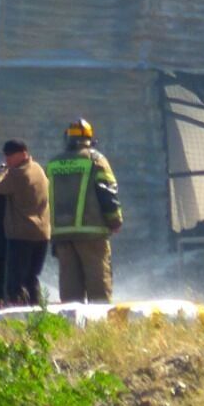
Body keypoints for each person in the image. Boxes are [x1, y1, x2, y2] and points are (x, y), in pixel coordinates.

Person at [48, 119, 123, 303]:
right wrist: (114, 220)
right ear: (89, 139)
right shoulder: (95, 160)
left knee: (70, 285)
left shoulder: (53, 163)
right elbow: (107, 192)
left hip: (62, 234)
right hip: (92, 232)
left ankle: (72, 326)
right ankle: (100, 326)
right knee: (98, 281)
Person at [0, 139, 51, 307]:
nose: (7, 160)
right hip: (41, 234)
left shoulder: (18, 174)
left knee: (15, 283)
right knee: (31, 278)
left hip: (21, 236)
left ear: (24, 153)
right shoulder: (38, 169)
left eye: (10, 156)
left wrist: (2, 172)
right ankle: (37, 311)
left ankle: (17, 317)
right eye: (5, 156)